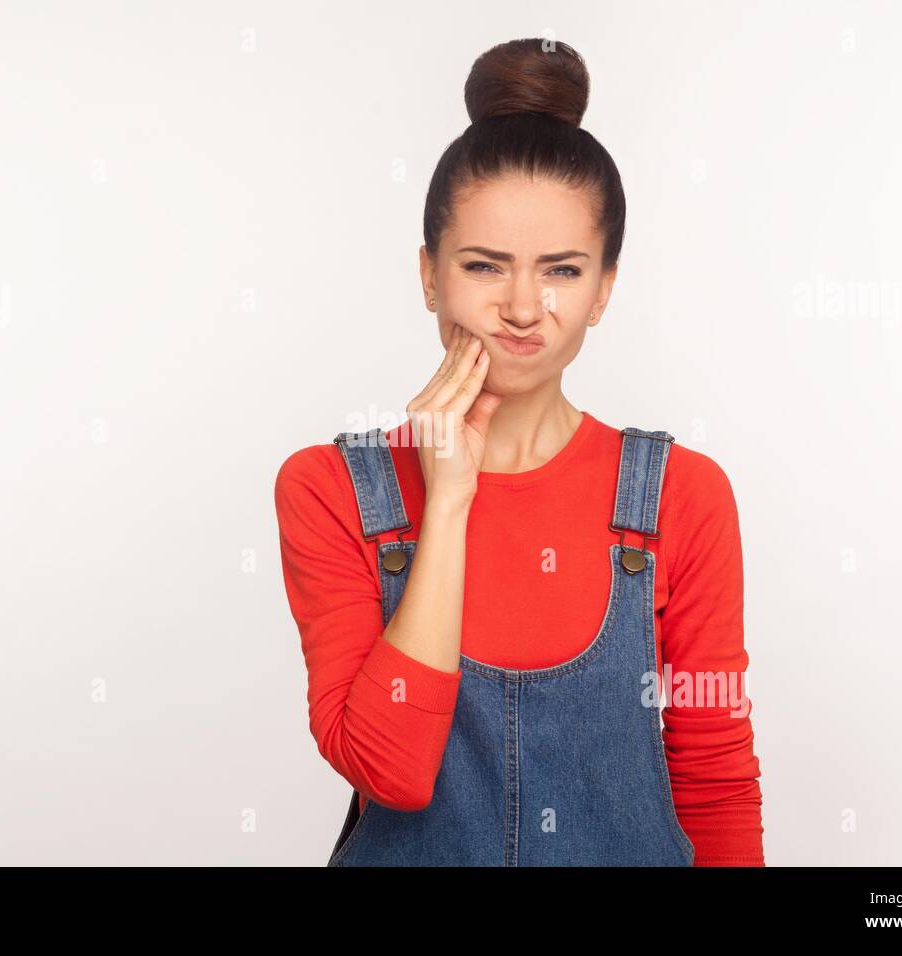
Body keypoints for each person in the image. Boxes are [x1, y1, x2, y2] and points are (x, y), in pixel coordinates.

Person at [274, 37, 764, 866]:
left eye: (563, 271)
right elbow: (391, 770)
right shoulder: (329, 489)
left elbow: (712, 774)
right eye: (484, 266)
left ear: (605, 287)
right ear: (429, 275)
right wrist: (450, 498)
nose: (523, 308)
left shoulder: (684, 494)